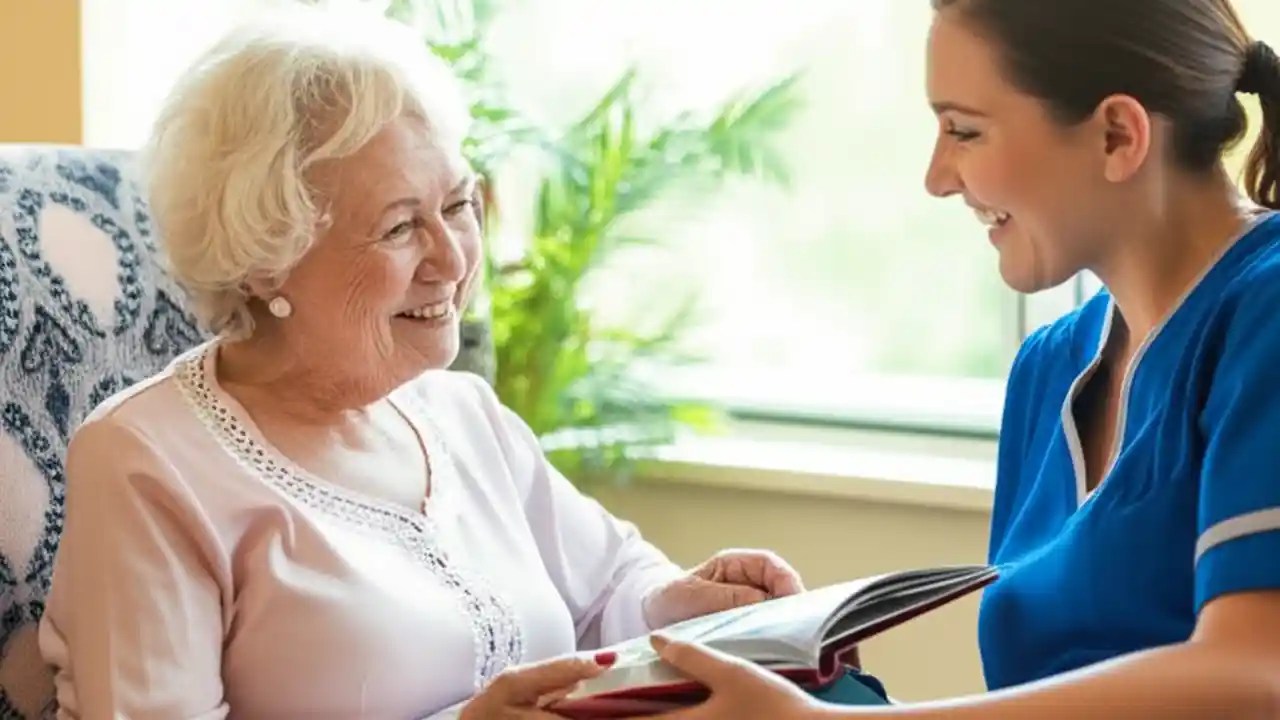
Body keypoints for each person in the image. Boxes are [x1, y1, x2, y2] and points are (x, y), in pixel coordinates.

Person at [35, 7, 805, 719]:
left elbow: (607, 587)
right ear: (267, 258)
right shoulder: (148, 465)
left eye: (459, 205)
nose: (452, 257)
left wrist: (680, 601)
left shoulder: (460, 415)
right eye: (400, 227)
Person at [641, 0, 1280, 718]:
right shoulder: (1048, 370)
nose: (938, 176)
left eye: (964, 131)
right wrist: (812, 686)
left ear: (1116, 135)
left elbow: (1257, 674)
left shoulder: (1265, 311)